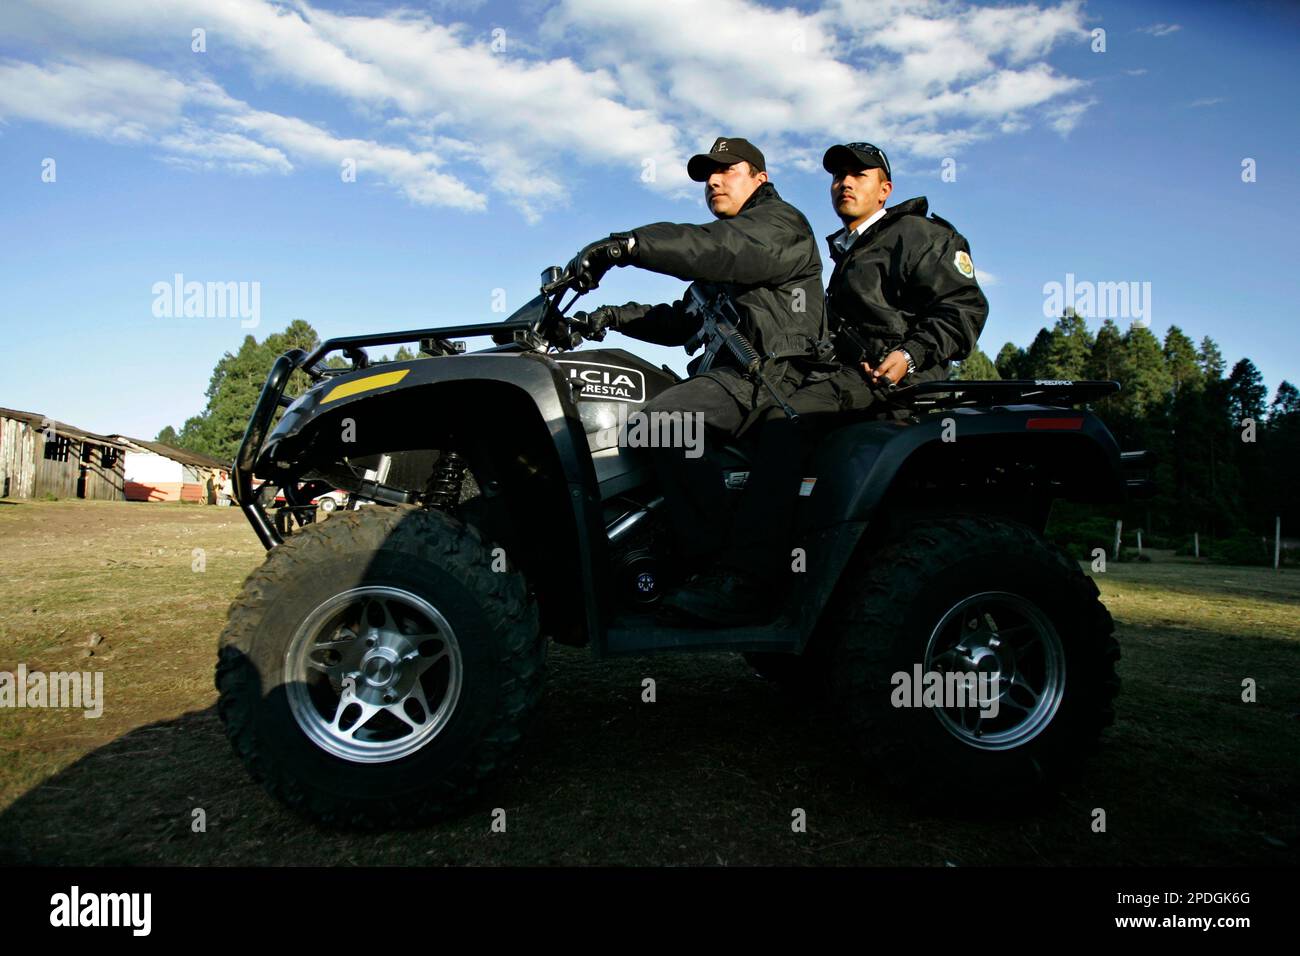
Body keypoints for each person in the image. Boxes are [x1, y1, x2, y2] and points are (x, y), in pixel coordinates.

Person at [567, 137, 835, 624]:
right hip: (734, 379)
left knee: (663, 423)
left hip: (774, 377)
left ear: (760, 177)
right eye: (706, 174)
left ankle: (726, 572)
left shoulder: (779, 226)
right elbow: (682, 319)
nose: (713, 180)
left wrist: (629, 245)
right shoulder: (731, 250)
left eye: (727, 170)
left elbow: (717, 248)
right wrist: (605, 317)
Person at [818, 141, 989, 405]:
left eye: (859, 175)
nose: (846, 183)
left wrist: (910, 355)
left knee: (780, 420)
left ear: (884, 190)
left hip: (902, 391)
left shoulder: (921, 235)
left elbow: (964, 309)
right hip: (847, 380)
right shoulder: (849, 251)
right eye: (839, 175)